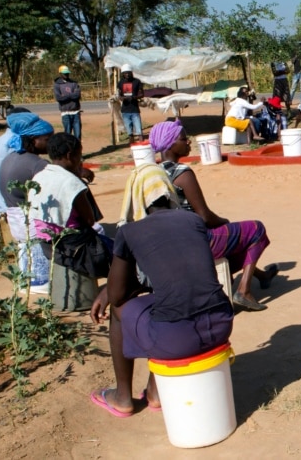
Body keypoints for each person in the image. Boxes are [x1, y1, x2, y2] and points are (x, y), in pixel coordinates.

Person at [89, 165, 234, 417]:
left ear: (136, 198)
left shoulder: (130, 231)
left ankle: (123, 396)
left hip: (176, 339)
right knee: (169, 300)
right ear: (169, 192)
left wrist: (107, 292)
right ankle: (155, 391)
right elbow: (187, 277)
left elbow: (118, 296)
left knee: (119, 310)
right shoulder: (194, 221)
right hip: (222, 323)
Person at [149, 120, 278, 311]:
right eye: (184, 139)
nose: (188, 143)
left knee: (236, 237)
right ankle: (243, 291)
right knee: (256, 230)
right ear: (170, 143)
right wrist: (224, 222)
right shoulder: (182, 173)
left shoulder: (155, 173)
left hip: (173, 243)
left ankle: (261, 276)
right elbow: (205, 216)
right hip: (196, 241)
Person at [29, 133, 112, 276]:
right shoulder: (71, 182)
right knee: (122, 253)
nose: (80, 160)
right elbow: (89, 220)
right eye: (79, 155)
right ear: (69, 155)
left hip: (47, 245)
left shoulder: (39, 177)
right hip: (75, 248)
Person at [0, 113, 57, 293]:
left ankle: (28, 278)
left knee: (26, 248)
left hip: (15, 218)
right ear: (33, 140)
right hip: (31, 222)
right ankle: (40, 282)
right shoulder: (36, 164)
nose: (50, 142)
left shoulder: (10, 158)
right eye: (47, 139)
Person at [53, 65, 82, 138]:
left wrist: (65, 95)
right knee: (67, 134)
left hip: (75, 112)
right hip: (65, 113)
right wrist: (71, 95)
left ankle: (77, 149)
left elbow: (77, 95)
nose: (66, 75)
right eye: (64, 73)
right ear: (60, 74)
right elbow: (59, 98)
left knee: (77, 134)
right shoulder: (57, 85)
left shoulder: (74, 83)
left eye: (67, 73)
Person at [117, 65, 145, 141]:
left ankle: (141, 144)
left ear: (131, 72)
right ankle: (132, 147)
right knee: (129, 133)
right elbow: (119, 95)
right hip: (125, 110)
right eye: (125, 73)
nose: (127, 75)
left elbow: (142, 94)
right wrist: (121, 98)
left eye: (128, 73)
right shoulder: (120, 83)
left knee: (139, 131)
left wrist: (134, 97)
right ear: (123, 74)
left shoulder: (137, 82)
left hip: (135, 110)